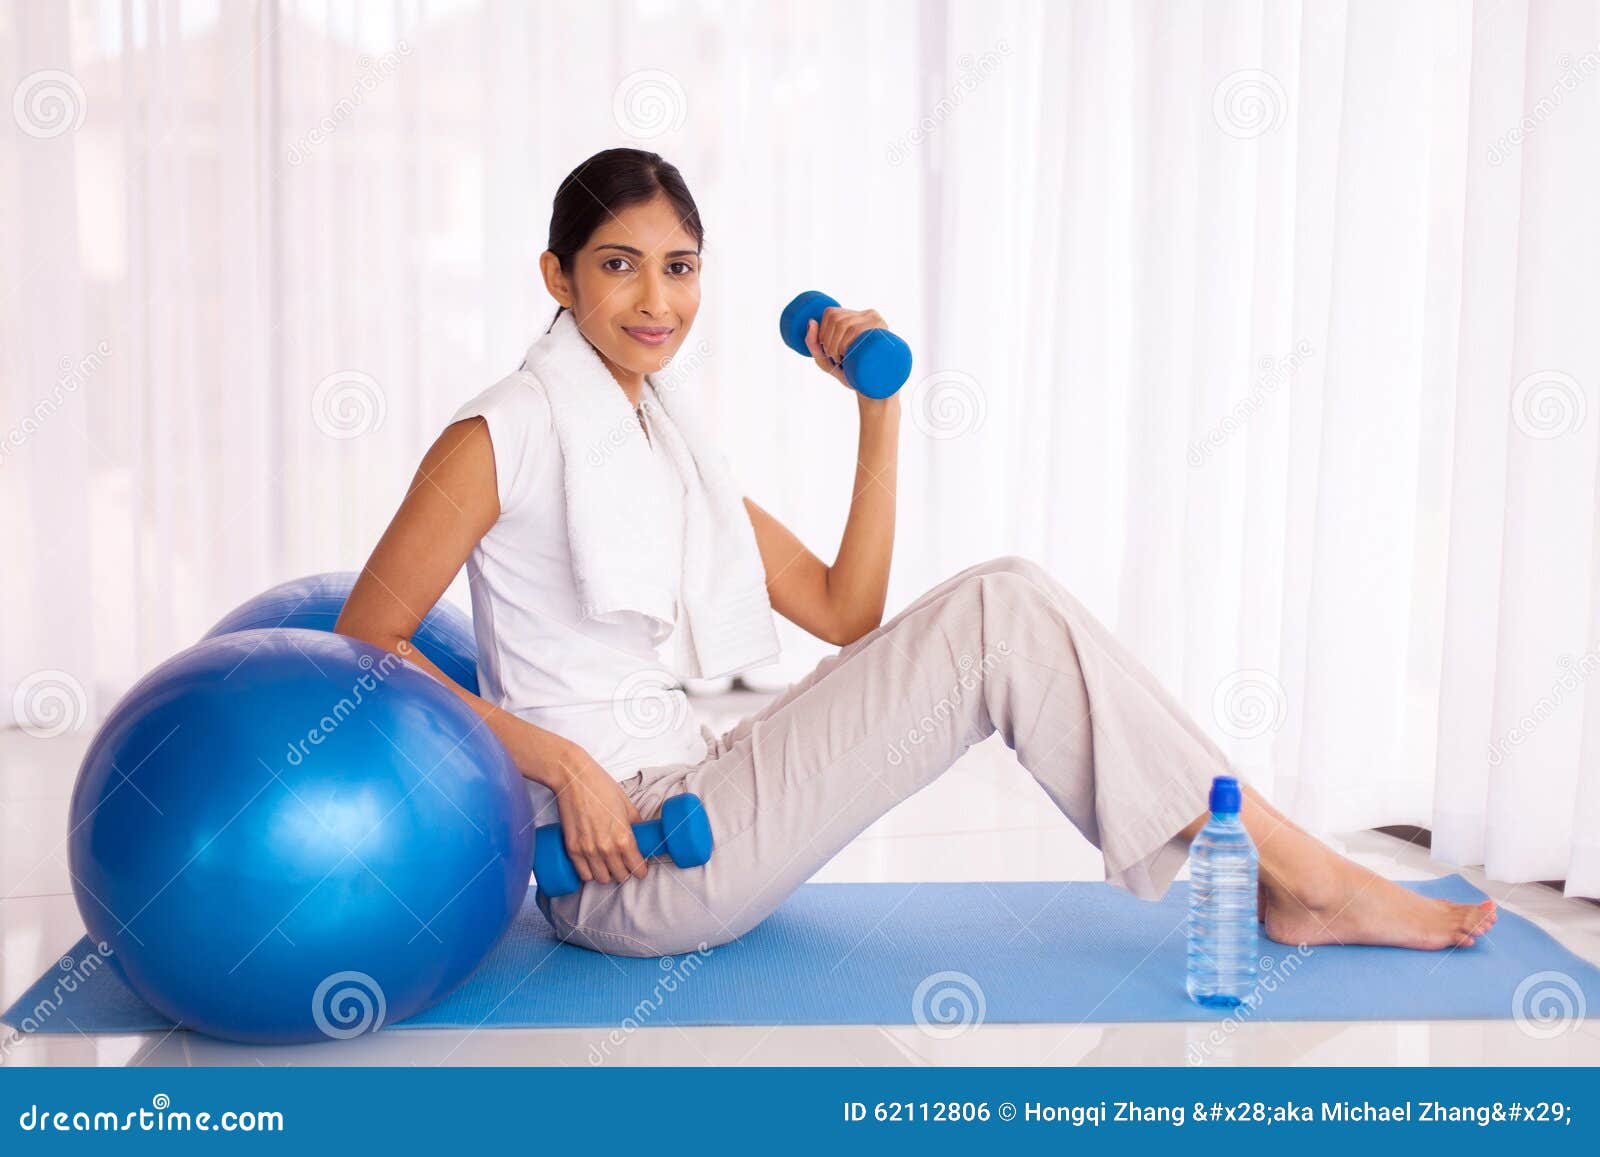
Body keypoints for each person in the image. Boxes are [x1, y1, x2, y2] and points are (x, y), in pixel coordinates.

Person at [334, 147, 1497, 958]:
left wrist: (873, 412)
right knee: (1002, 606)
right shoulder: (499, 434)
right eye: (618, 262)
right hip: (622, 866)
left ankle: (1292, 873)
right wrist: (565, 767)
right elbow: (364, 645)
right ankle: (1308, 880)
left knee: (1006, 604)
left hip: (690, 786)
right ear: (558, 275)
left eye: (679, 266)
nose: (656, 299)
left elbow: (847, 610)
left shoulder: (657, 446)